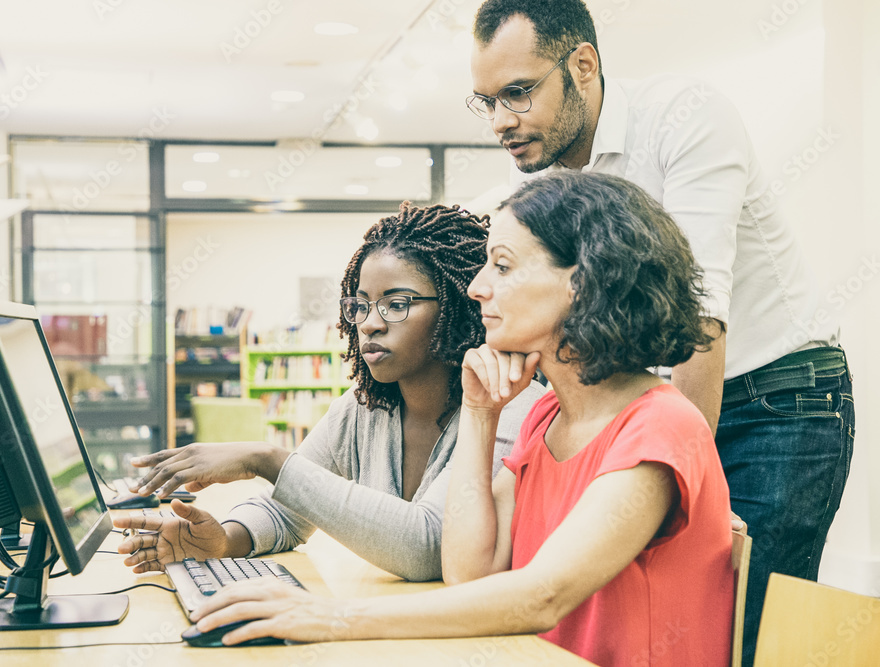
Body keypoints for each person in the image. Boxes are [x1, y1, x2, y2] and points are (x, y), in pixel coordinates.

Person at [184, 173, 735, 666]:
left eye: (502, 265)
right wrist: (478, 411)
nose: (476, 288)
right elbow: (468, 570)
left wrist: (331, 618)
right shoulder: (548, 415)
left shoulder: (660, 425)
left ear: (584, 282)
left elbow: (543, 594)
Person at [465, 2, 855, 663]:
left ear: (582, 65)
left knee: (748, 630)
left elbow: (699, 320)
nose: (502, 120)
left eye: (519, 93)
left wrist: (697, 486)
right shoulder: (538, 160)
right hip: (656, 405)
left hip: (779, 398)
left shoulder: (685, 116)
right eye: (487, 101)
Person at [113, 202, 544, 581]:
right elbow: (287, 510)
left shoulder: (509, 406)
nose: (369, 323)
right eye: (359, 305)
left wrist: (267, 459)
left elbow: (429, 546)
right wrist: (223, 541)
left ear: (458, 307)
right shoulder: (364, 408)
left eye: (397, 304)